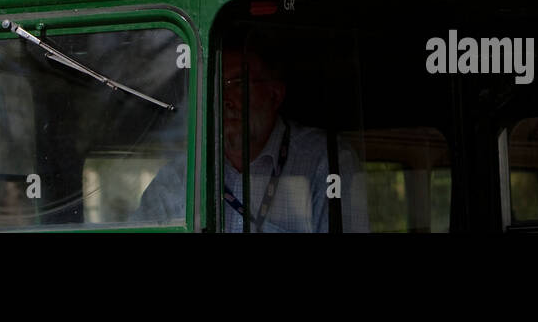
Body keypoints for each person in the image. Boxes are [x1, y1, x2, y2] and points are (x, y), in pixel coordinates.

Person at [135, 32, 369, 232]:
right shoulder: (179, 177)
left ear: (274, 95)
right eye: (216, 85)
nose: (224, 99)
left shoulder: (325, 161)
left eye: (238, 84)